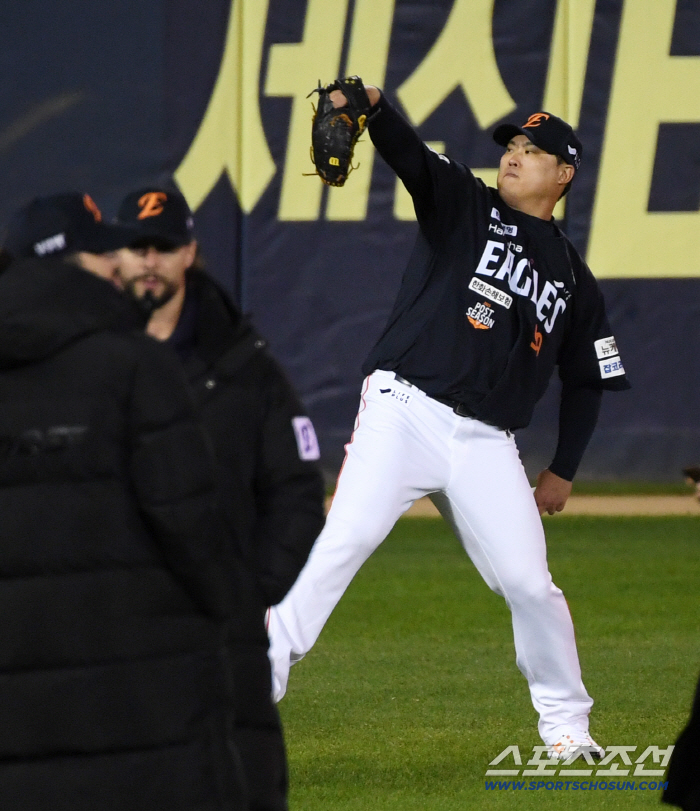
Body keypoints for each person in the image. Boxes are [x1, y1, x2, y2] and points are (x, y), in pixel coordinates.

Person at [267, 81, 631, 762]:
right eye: (513, 145)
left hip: (489, 442)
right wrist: (373, 106)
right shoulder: (464, 203)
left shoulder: (573, 278)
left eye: (534, 149)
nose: (517, 155)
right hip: (405, 411)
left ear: (565, 173)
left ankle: (567, 726)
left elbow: (587, 379)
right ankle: (252, 680)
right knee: (343, 540)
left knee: (529, 583)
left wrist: (564, 469)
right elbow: (409, 156)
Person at [0, 193, 247, 810]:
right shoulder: (136, 365)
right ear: (70, 262)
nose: (117, 260)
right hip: (127, 699)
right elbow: (195, 530)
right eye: (100, 247)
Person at [114, 187, 326, 811]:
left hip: (216, 629)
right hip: (109, 626)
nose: (151, 260)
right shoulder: (80, 358)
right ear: (114, 257)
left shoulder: (243, 365)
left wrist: (250, 590)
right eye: (138, 246)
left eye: (166, 246)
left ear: (191, 255)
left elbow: (295, 490)